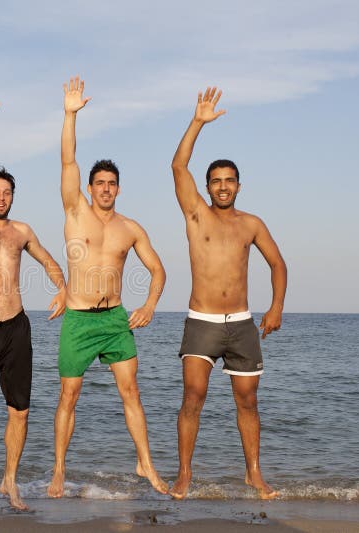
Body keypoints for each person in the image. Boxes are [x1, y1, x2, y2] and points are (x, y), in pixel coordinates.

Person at [47, 77, 168, 498]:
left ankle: (146, 463)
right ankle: (59, 469)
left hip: (115, 318)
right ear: (89, 187)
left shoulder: (130, 228)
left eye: (111, 183)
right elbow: (67, 159)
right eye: (99, 183)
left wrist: (150, 304)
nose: (105, 188)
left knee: (131, 391)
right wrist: (70, 114)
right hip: (79, 318)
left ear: (118, 188)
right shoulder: (74, 209)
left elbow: (158, 270)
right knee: (69, 395)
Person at [168, 87, 287, 500]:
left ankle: (254, 474)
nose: (223, 186)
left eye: (229, 181)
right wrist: (198, 121)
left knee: (248, 403)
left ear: (238, 185)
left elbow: (278, 264)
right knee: (193, 397)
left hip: (241, 323)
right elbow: (177, 165)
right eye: (216, 181)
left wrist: (276, 307)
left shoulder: (251, 224)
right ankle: (184, 475)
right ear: (207, 186)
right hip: (201, 321)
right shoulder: (195, 212)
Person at [0, 86, 67, 516]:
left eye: (7, 192)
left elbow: (48, 261)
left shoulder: (20, 230)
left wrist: (62, 286)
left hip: (17, 327)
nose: (1, 197)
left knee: (19, 409)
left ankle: (10, 481)